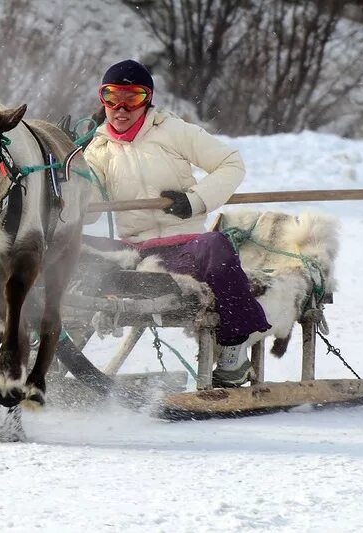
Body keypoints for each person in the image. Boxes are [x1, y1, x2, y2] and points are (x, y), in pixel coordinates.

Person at [83, 59, 271, 387]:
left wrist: (193, 201)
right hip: (133, 254)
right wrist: (73, 195)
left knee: (217, 246)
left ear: (148, 100)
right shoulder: (97, 149)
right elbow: (89, 209)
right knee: (70, 251)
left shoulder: (173, 131)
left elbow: (231, 163)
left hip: (184, 246)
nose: (121, 108)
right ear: (102, 100)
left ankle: (232, 348)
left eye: (133, 98)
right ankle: (51, 352)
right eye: (111, 96)